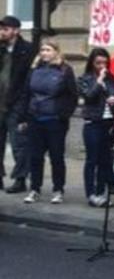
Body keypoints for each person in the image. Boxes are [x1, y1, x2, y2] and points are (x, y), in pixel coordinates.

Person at [16, 40, 77, 204]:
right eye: (42, 50)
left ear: (56, 52)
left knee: (56, 157)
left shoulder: (65, 70)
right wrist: (23, 117)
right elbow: (26, 94)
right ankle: (35, 189)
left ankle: (58, 190)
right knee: (35, 157)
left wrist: (63, 115)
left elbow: (72, 95)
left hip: (55, 120)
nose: (44, 53)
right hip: (35, 118)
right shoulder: (34, 69)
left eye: (48, 50)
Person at [78, 48, 114, 207]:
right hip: (93, 122)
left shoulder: (112, 79)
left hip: (108, 122)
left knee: (105, 159)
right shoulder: (85, 79)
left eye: (105, 63)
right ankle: (91, 193)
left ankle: (101, 191)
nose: (102, 66)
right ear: (92, 63)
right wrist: (99, 80)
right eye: (98, 63)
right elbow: (89, 96)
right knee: (92, 159)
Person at [0, 16, 35, 194]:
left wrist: (24, 106)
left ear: (16, 30)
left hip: (17, 104)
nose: (2, 32)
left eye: (5, 29)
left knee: (18, 144)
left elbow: (28, 81)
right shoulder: (1, 48)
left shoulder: (27, 49)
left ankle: (20, 179)